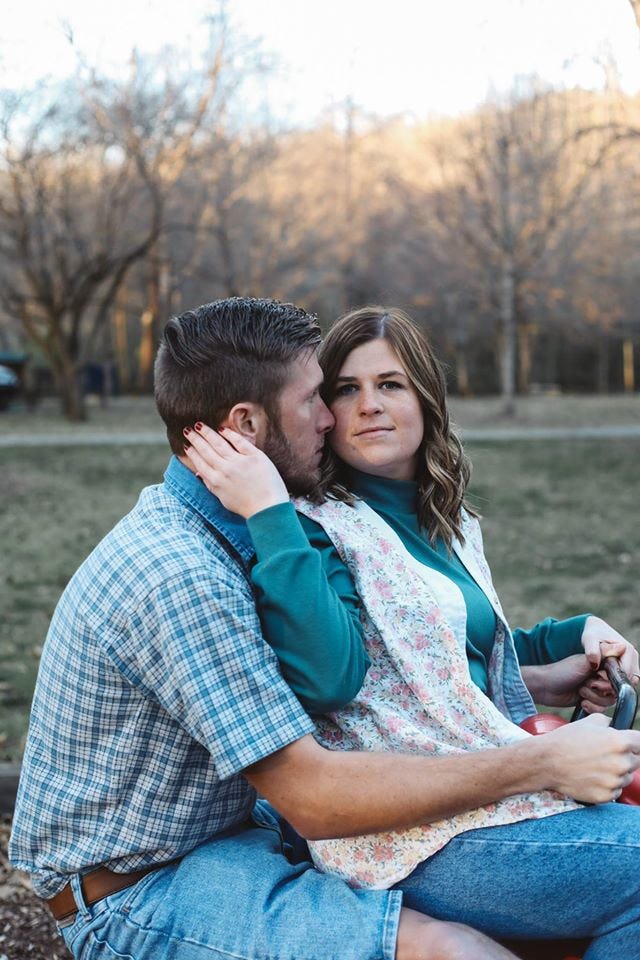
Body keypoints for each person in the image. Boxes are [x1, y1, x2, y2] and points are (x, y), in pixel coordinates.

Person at [10, 296, 528, 960]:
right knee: (451, 949)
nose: (330, 417)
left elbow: (345, 672)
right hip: (139, 895)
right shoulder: (180, 572)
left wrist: (535, 667)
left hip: (234, 841)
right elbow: (312, 794)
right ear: (246, 425)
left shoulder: (234, 526)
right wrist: (533, 764)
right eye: (316, 398)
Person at [184, 304, 640, 959]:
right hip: (411, 833)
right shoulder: (316, 527)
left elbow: (453, 650)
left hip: (488, 803)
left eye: (390, 384)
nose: (369, 404)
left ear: (426, 400)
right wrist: (271, 515)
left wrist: (576, 638)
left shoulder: (445, 525)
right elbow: (327, 677)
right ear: (324, 411)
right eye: (347, 389)